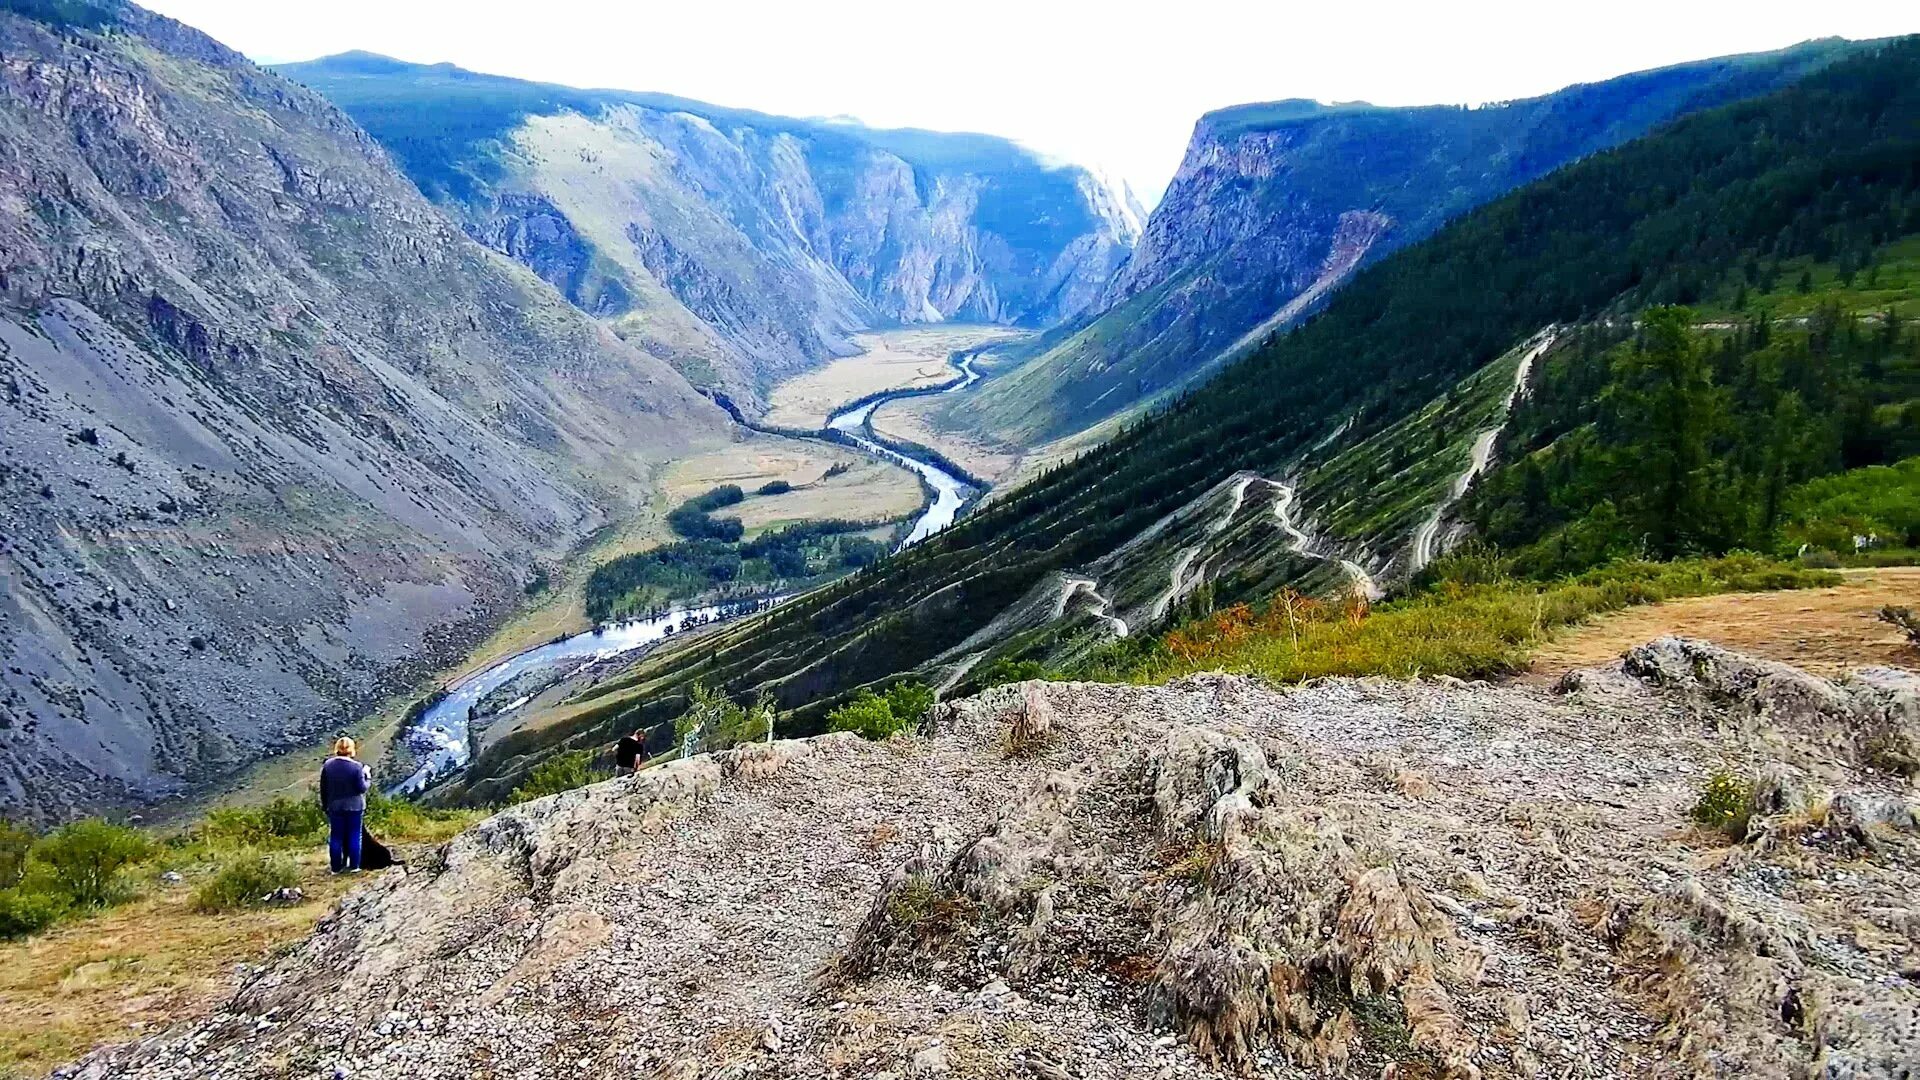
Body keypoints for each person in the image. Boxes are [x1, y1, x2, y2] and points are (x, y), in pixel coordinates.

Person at [319, 736, 371, 873]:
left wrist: (325, 806)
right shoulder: (357, 767)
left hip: (335, 806)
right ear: (351, 749)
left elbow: (323, 788)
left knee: (336, 837)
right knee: (354, 835)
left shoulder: (328, 765)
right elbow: (362, 788)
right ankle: (354, 866)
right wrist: (367, 776)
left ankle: (335, 868)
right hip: (354, 807)